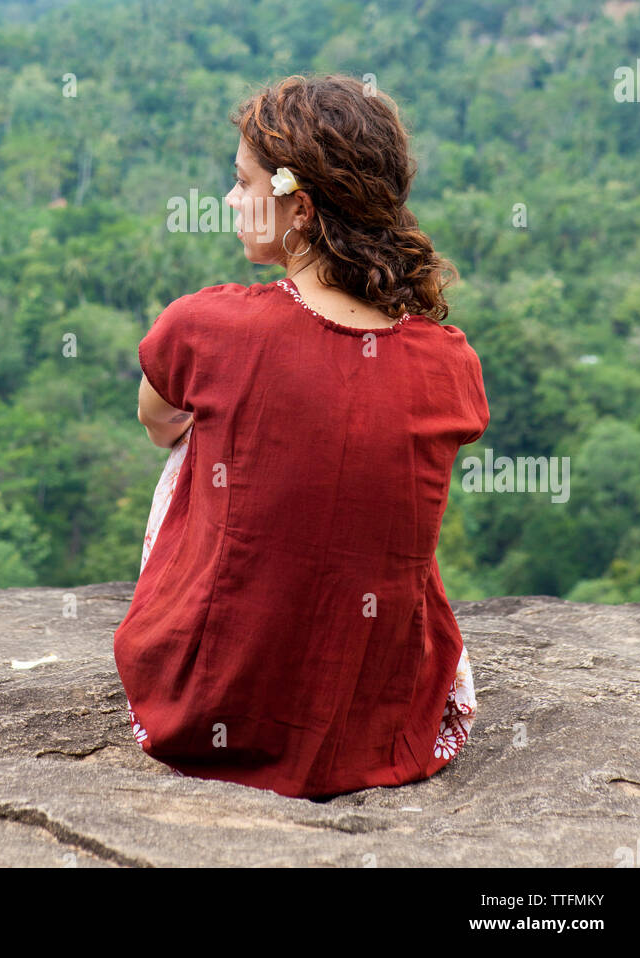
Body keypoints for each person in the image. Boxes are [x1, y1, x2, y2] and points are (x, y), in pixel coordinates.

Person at [114, 72, 489, 800]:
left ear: (302, 207)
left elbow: (158, 423)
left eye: (243, 182)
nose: (228, 200)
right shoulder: (450, 362)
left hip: (201, 710)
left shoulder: (205, 328)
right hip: (386, 724)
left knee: (200, 441)